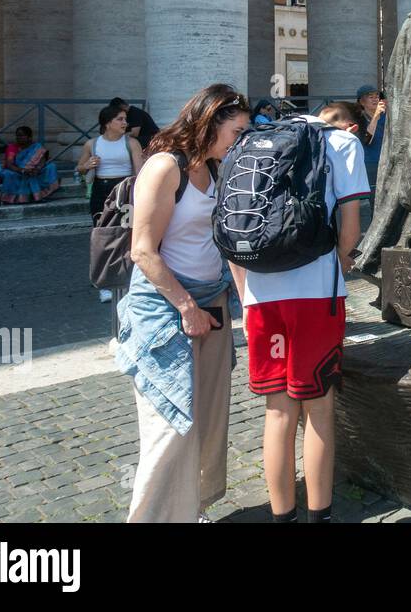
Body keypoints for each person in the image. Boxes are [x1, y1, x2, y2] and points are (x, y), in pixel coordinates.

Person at [116, 84, 250, 522]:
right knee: (170, 425)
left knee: (207, 421)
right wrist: (186, 306)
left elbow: (224, 244)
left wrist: (246, 303)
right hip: (166, 308)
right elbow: (142, 250)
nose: (241, 140)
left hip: (213, 305)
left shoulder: (216, 169)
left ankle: (188, 510)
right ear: (209, 123)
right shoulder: (164, 167)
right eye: (236, 130)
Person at [231, 100, 367, 523]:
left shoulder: (249, 146)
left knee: (277, 410)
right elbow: (351, 226)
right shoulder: (341, 142)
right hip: (315, 292)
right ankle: (319, 516)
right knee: (319, 407)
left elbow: (233, 226)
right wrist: (341, 266)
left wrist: (246, 293)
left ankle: (281, 516)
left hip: (261, 294)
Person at [79, 104, 145, 302]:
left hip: (124, 189)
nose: (125, 123)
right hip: (101, 190)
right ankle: (104, 281)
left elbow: (139, 170)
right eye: (120, 119)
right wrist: (88, 165)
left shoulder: (131, 143)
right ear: (107, 123)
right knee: (102, 234)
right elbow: (80, 167)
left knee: (127, 232)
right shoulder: (92, 144)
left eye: (125, 119)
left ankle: (129, 276)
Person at [0, 125, 60, 204]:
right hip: (18, 172)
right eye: (17, 135)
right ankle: (12, 198)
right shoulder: (12, 147)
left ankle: (44, 192)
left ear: (29, 137)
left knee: (51, 166)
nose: (18, 137)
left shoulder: (36, 147)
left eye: (21, 135)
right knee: (8, 173)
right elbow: (9, 164)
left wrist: (37, 169)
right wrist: (22, 170)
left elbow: (43, 159)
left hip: (34, 172)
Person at [356, 84, 386, 203]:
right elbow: (366, 140)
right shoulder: (358, 118)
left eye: (377, 96)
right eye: (370, 97)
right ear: (362, 102)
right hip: (371, 163)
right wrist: (376, 117)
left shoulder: (386, 116)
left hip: (387, 162)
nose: (375, 99)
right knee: (375, 200)